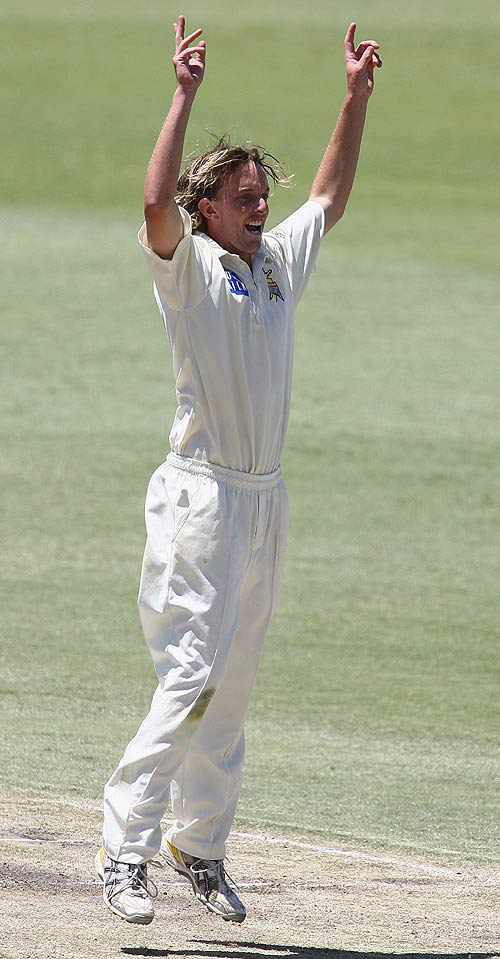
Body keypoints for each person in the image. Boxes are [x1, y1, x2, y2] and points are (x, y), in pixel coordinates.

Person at [96, 14, 381, 927]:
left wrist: (355, 96)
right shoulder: (190, 271)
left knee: (237, 679)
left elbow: (330, 198)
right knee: (189, 673)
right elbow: (150, 207)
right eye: (243, 195)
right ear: (208, 209)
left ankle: (201, 844)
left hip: (264, 501)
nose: (260, 204)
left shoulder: (274, 268)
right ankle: (124, 847)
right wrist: (182, 95)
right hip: (201, 497)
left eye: (262, 193)